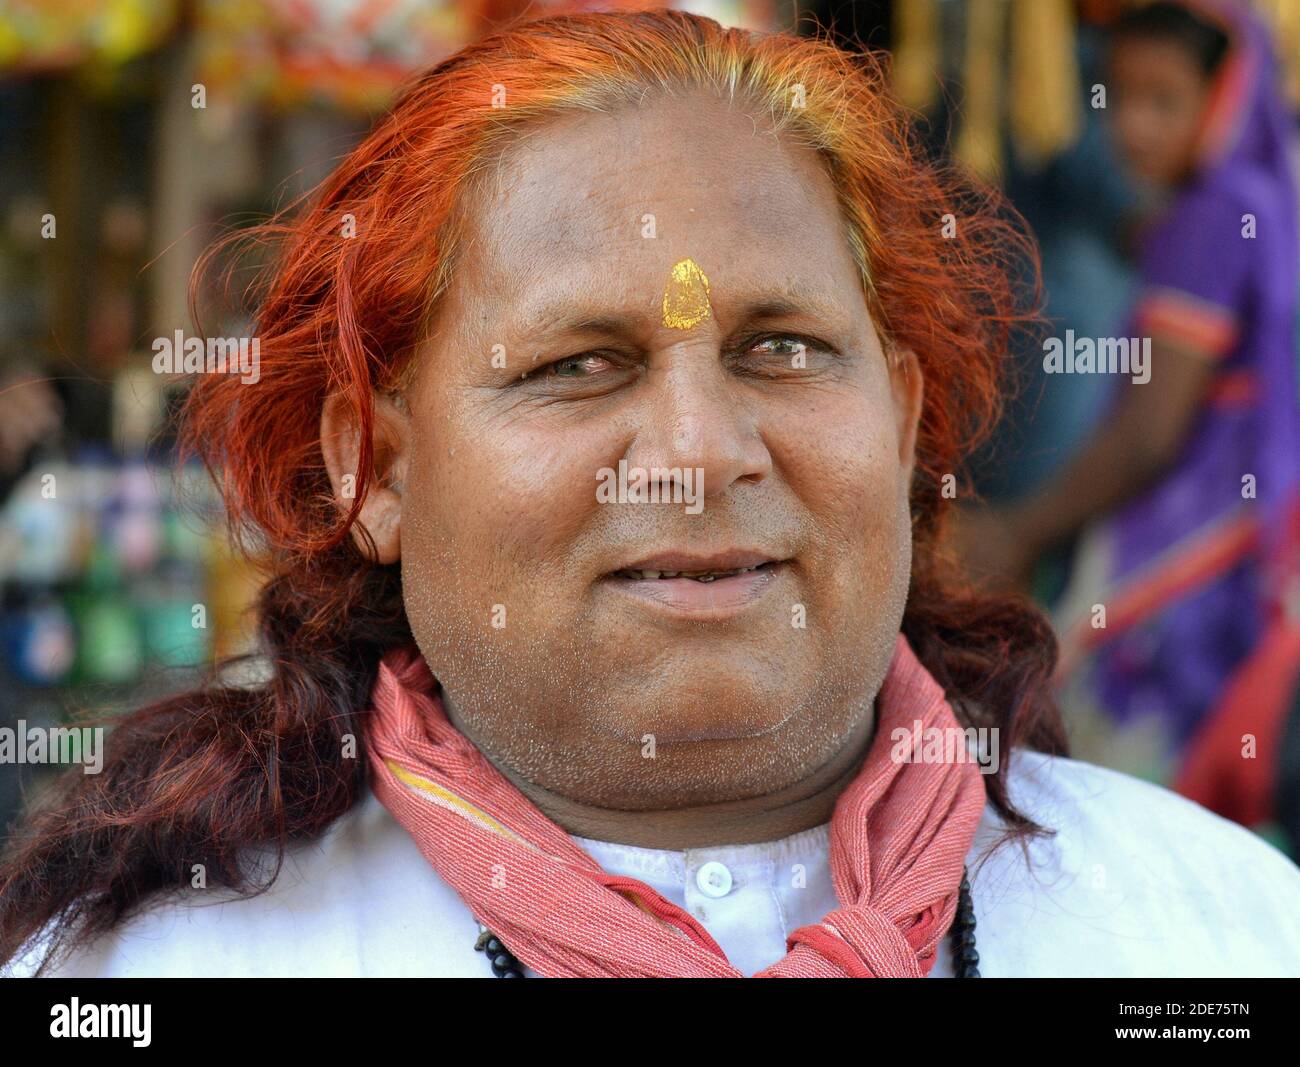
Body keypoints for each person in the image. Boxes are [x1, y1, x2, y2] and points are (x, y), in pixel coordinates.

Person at [3, 8, 1299, 979]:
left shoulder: (1213, 931)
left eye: (781, 348)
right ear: (375, 466)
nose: (698, 449)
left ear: (904, 425)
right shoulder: (139, 977)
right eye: (579, 364)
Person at [956, 0, 1300, 784]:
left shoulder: (1210, 217)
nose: (1131, 127)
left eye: (1164, 100)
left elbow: (1149, 434)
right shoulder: (1262, 201)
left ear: (1229, 92)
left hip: (1177, 565)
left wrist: (1020, 529)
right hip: (1246, 548)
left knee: (1115, 783)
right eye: (1118, 95)